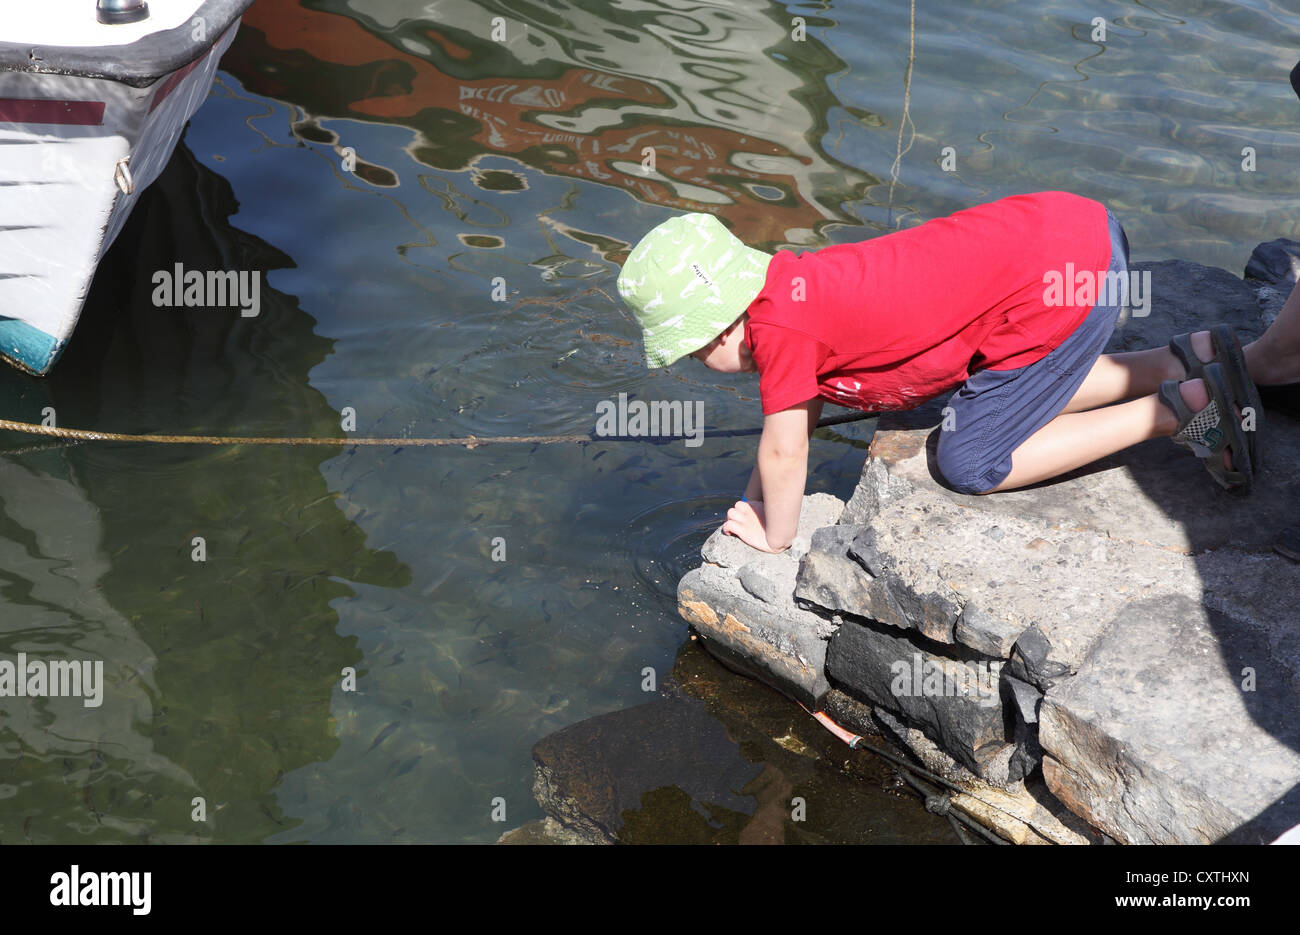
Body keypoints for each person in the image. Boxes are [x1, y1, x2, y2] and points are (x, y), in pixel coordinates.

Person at [617, 194, 1268, 554]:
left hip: (1067, 289)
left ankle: (1180, 408)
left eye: (695, 351)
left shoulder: (777, 330)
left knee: (969, 456)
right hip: (1081, 230)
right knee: (1013, 386)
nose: (704, 365)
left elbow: (787, 447)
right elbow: (794, 420)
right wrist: (757, 490)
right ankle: (1184, 358)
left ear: (721, 325)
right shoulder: (792, 284)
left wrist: (773, 530)